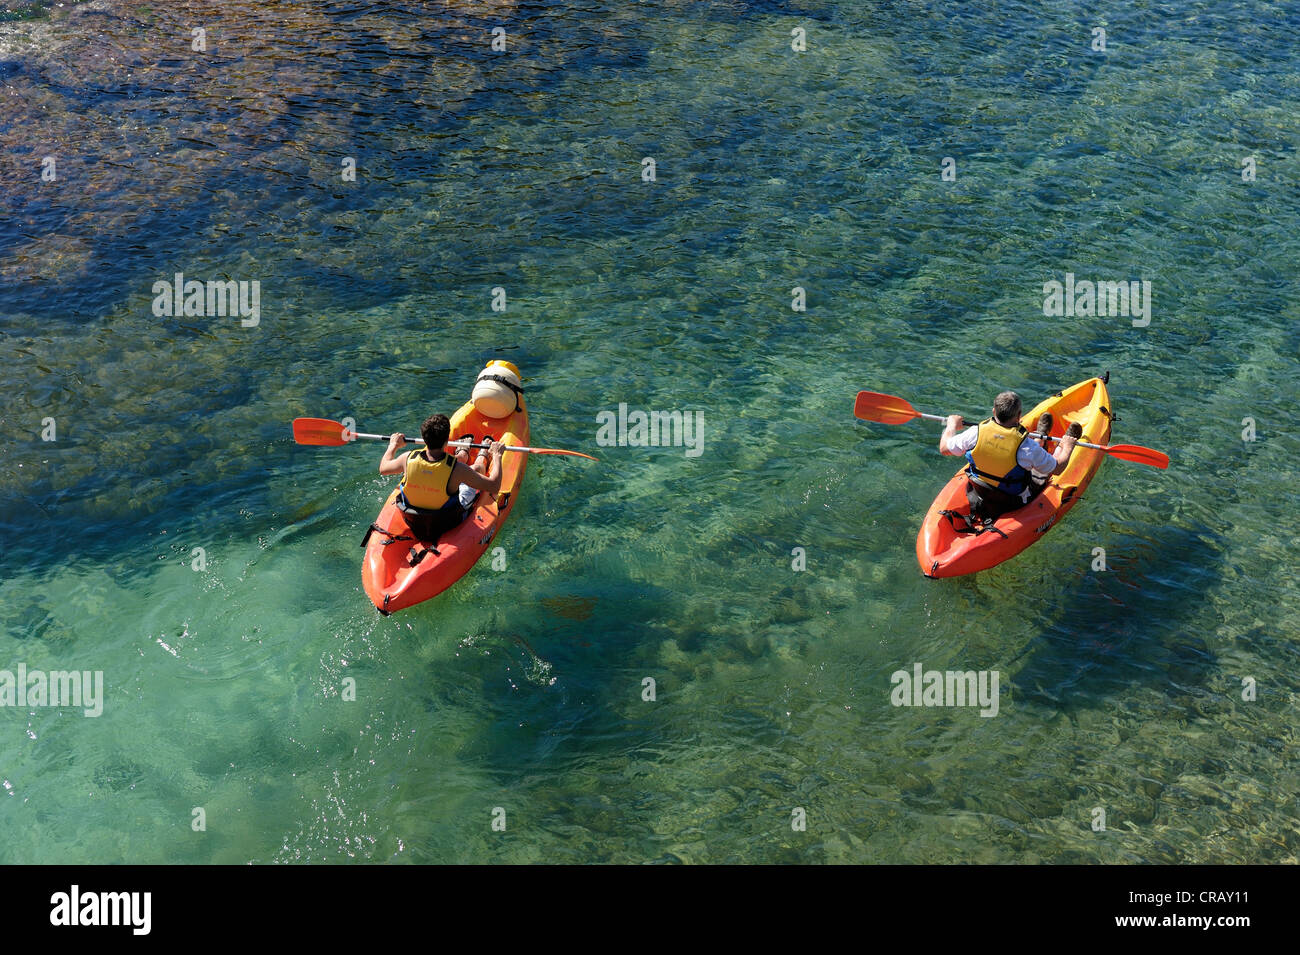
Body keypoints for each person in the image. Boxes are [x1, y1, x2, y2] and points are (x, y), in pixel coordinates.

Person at [938, 390, 1082, 522]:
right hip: (1013, 499)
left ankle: (1040, 437)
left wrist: (951, 425)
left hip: (980, 491)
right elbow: (1057, 468)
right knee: (1039, 469)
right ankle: (1058, 446)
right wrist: (1068, 446)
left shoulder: (974, 433)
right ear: (1019, 416)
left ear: (994, 411)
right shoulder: (1027, 447)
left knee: (1028, 457)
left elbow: (944, 448)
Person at [378, 413, 506, 542]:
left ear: (424, 438)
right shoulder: (458, 469)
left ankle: (462, 453)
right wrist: (497, 455)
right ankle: (482, 456)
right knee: (477, 468)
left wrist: (393, 445)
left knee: (452, 465)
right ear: (446, 441)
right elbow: (494, 486)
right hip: (447, 521)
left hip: (413, 520)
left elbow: (383, 469)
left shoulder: (407, 458)